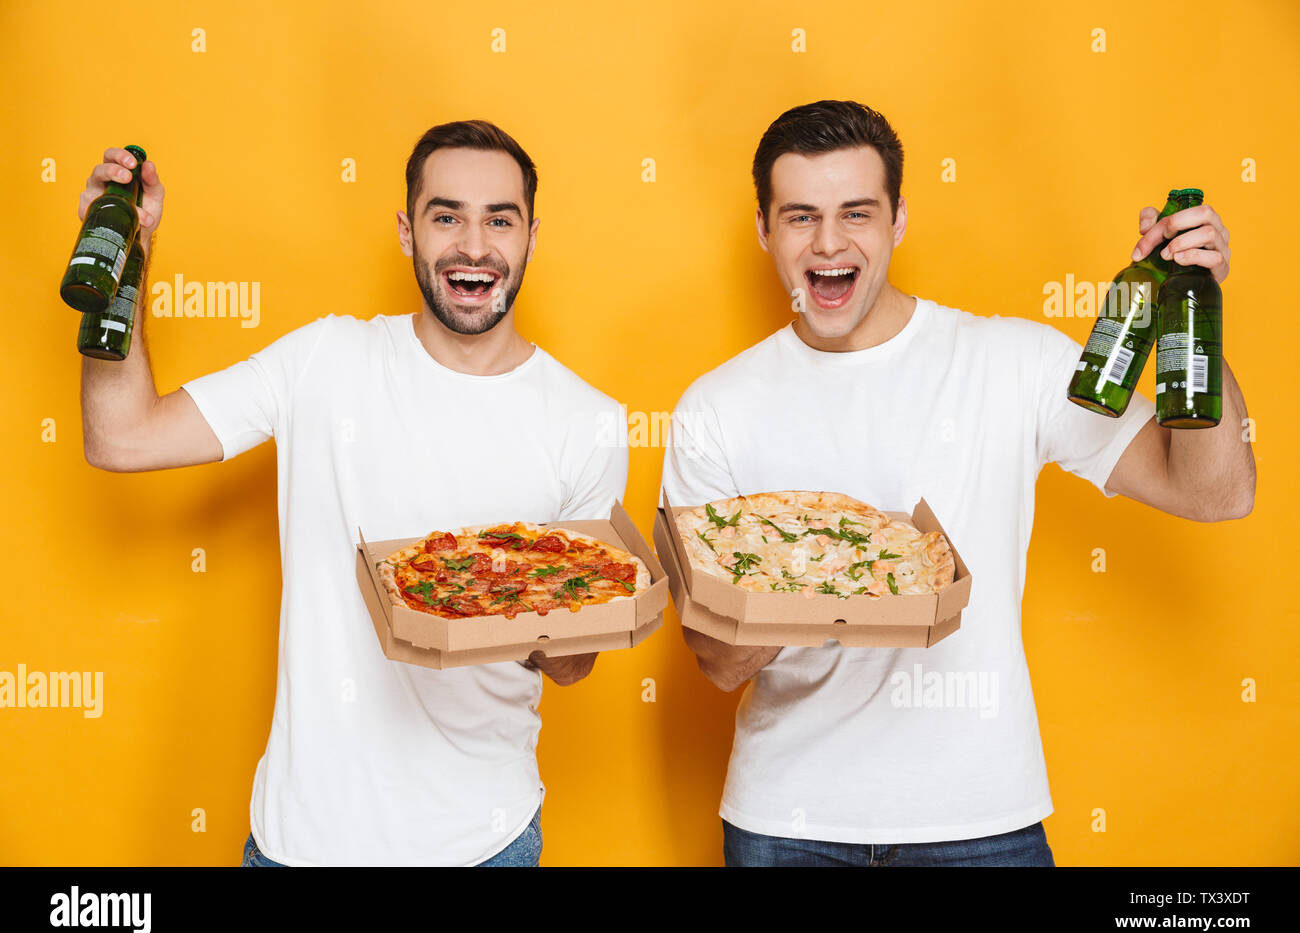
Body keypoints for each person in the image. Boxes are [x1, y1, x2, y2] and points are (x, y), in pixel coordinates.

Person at [659, 99, 1252, 867]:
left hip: (983, 822)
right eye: (801, 216)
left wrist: (1189, 314)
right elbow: (718, 660)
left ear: (898, 219)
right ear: (764, 229)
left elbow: (1215, 493)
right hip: (790, 823)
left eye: (857, 213)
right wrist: (833, 560)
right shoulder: (716, 406)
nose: (830, 242)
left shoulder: (1013, 363)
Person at [80, 120, 628, 866]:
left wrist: (493, 588)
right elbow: (122, 436)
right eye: (446, 216)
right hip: (299, 844)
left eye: (500, 219)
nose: (474, 244)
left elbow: (572, 665)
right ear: (407, 231)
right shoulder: (324, 359)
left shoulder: (587, 420)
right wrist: (125, 260)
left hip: (481, 842)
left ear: (532, 236)